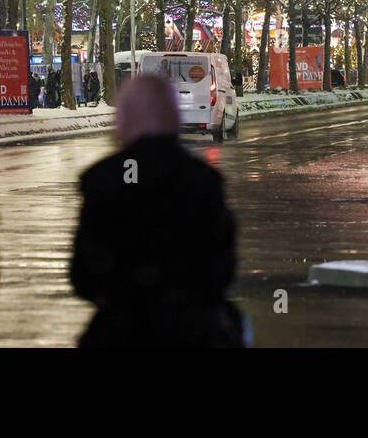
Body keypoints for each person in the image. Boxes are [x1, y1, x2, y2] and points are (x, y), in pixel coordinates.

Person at [69, 74, 244, 348]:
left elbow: (84, 277)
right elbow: (222, 269)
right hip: (195, 332)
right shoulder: (202, 181)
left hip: (122, 332)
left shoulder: (102, 181)